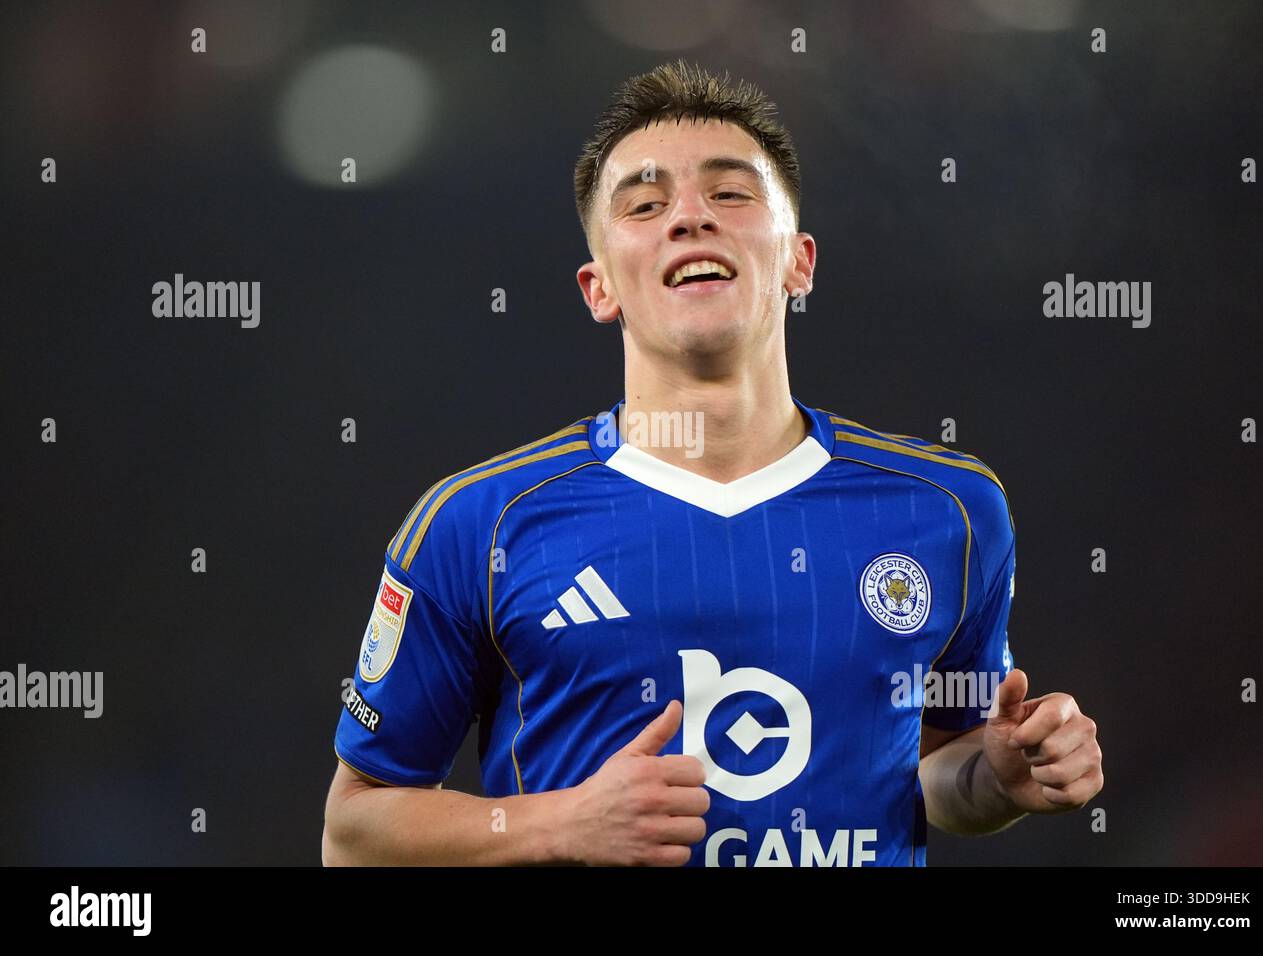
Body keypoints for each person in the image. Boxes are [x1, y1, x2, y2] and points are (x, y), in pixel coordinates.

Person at [322, 60, 1103, 867]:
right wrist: (561, 825)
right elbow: (353, 833)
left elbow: (939, 772)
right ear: (599, 289)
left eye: (730, 194)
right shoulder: (477, 524)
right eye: (645, 204)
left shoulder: (948, 509)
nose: (690, 217)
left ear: (800, 261)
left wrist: (1004, 775)